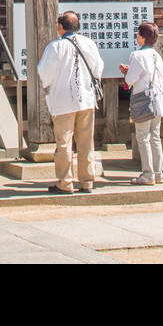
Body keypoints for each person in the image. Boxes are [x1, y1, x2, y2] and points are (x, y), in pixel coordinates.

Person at [37, 11, 104, 194]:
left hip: (63, 100)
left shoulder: (55, 47)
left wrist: (51, 85)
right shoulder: (89, 44)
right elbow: (98, 68)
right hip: (86, 99)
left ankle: (65, 182)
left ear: (60, 27)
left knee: (64, 143)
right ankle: (87, 181)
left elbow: (44, 73)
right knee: (85, 142)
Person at [119, 21, 163, 185]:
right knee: (155, 137)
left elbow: (131, 79)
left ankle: (148, 173)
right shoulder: (156, 56)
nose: (137, 37)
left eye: (138, 34)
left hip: (144, 100)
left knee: (143, 137)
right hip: (158, 99)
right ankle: (158, 173)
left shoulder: (137, 56)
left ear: (143, 37)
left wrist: (126, 72)